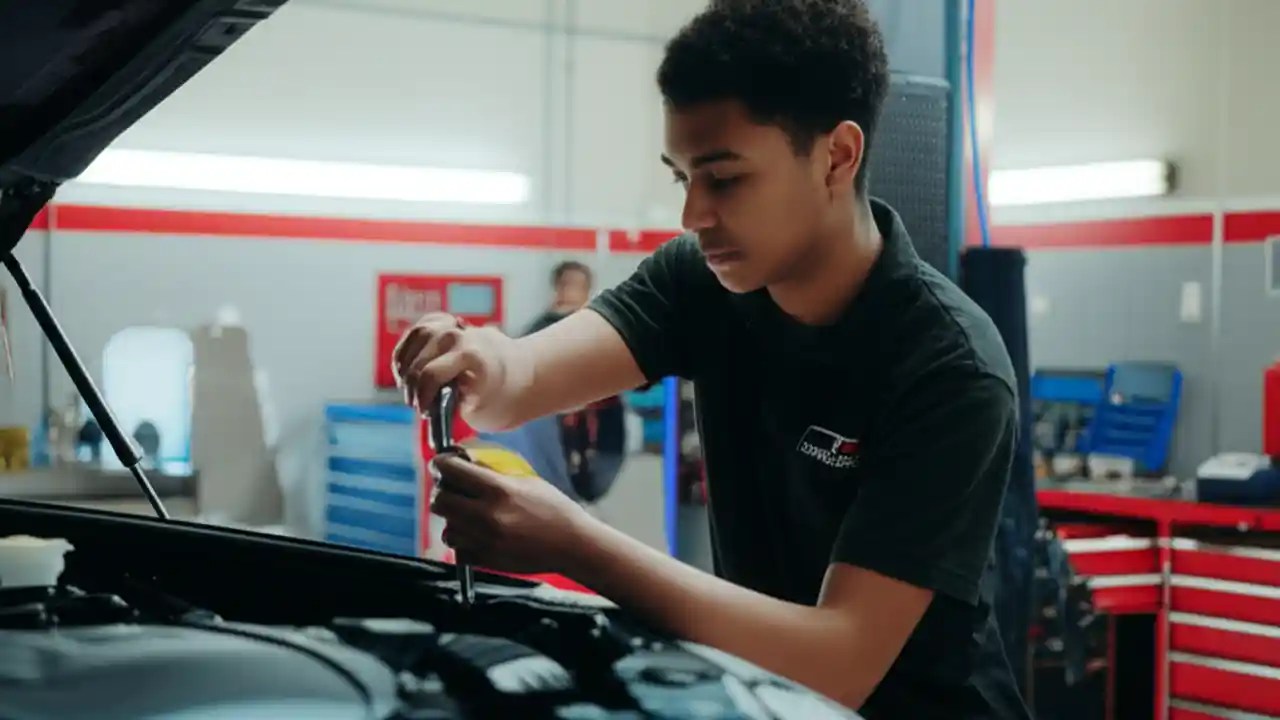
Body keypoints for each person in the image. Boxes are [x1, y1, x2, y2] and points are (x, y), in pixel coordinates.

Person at [393, 1, 1031, 716]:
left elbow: (838, 661)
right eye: (681, 177)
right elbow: (522, 381)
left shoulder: (949, 369)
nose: (693, 214)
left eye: (724, 178)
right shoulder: (701, 281)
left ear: (836, 156)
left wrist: (573, 543)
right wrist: (482, 355)